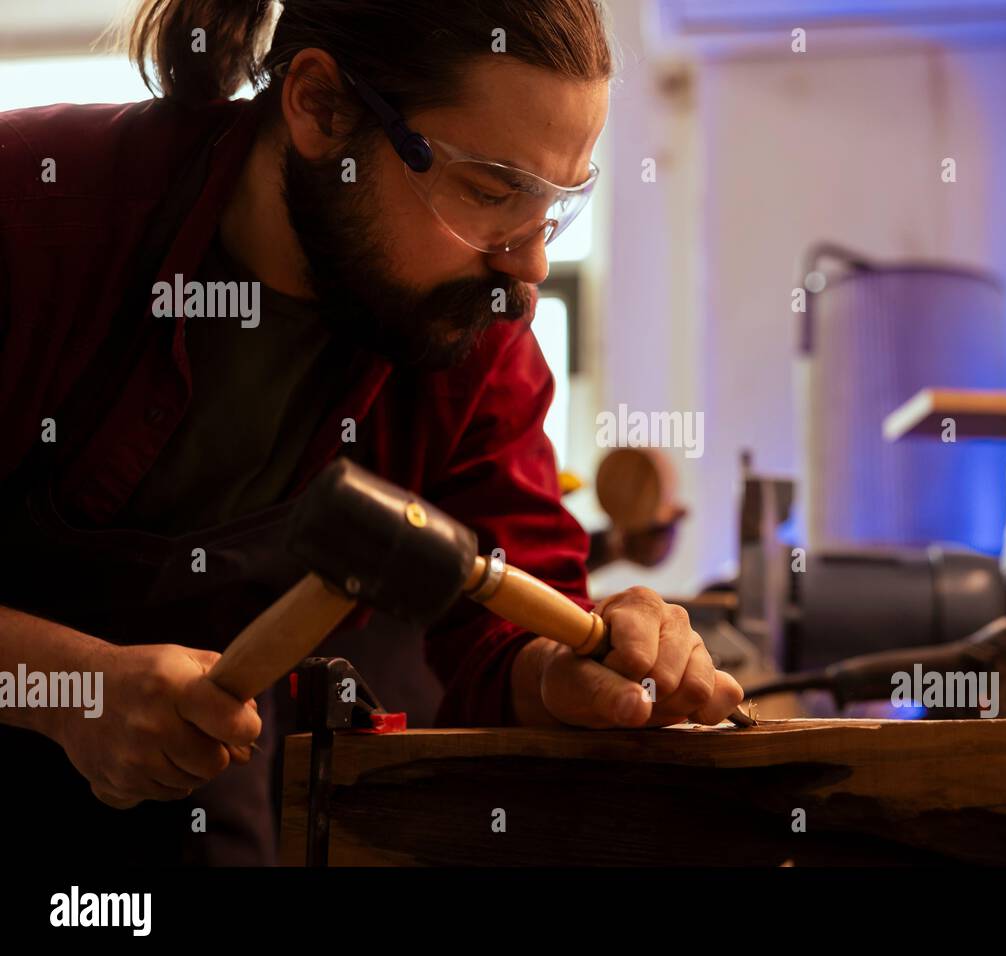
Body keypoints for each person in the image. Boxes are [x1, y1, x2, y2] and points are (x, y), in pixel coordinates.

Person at [0, 0, 744, 864]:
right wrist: (64, 688)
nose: (530, 266)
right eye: (493, 191)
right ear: (321, 108)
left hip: (199, 776)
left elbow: (509, 633)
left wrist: (571, 670)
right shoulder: (35, 209)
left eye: (553, 206)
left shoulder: (470, 340)